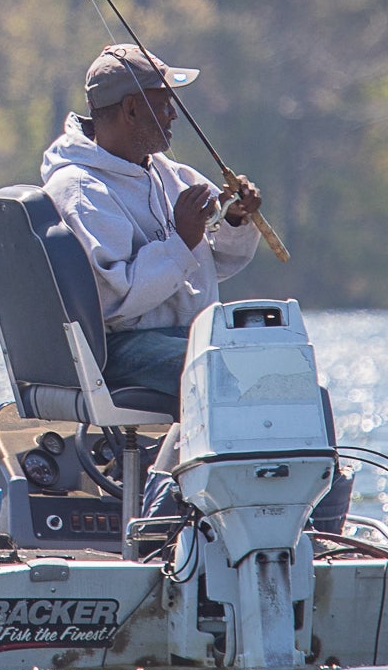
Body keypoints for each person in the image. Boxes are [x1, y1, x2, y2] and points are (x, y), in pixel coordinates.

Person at [40, 43, 263, 406]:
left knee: (283, 365)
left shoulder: (170, 174)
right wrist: (182, 239)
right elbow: (114, 299)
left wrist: (234, 219)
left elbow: (218, 262)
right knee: (229, 374)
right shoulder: (78, 189)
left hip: (189, 335)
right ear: (130, 109)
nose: (173, 114)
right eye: (163, 103)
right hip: (121, 348)